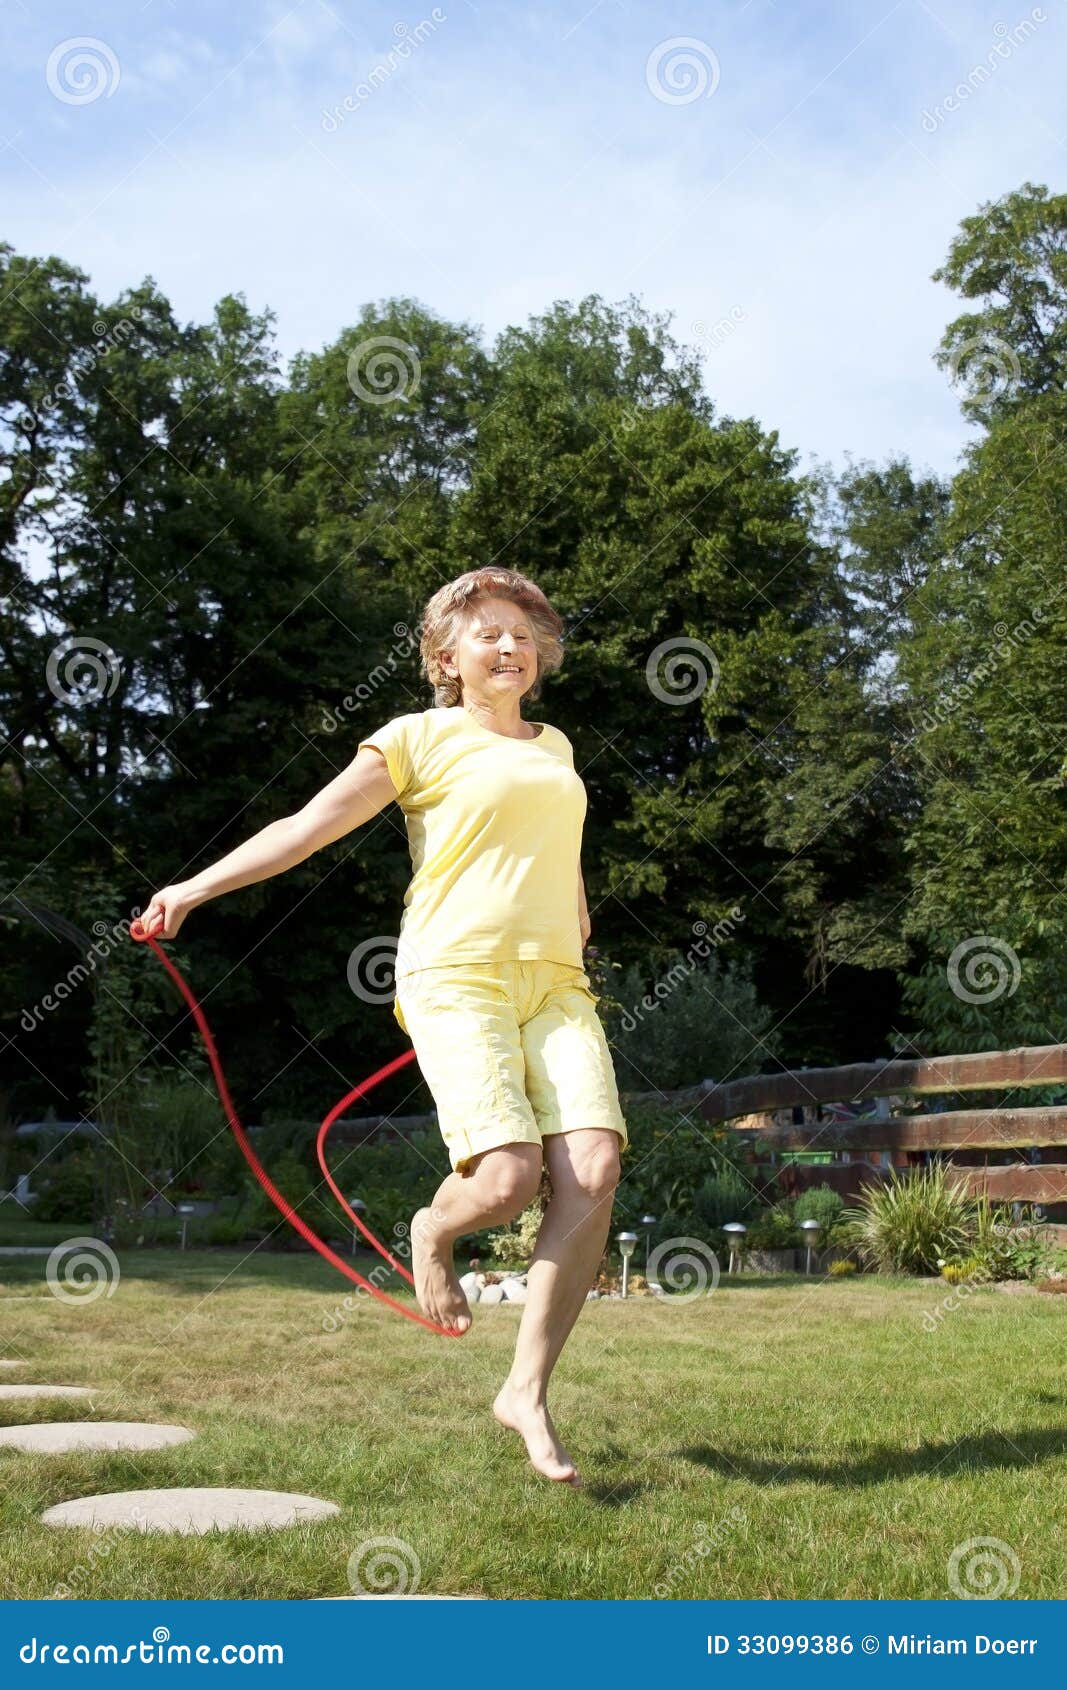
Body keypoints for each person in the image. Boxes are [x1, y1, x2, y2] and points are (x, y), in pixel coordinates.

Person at [139, 566, 629, 1488]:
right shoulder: (414, 738)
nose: (509, 646)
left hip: (556, 981)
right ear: (446, 657)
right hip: (455, 973)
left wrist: (574, 913)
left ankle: (525, 1390)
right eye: (486, 633)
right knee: (508, 1179)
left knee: (594, 1168)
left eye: (522, 634)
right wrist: (196, 887)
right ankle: (433, 1234)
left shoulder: (556, 746)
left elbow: (553, 853)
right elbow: (307, 825)